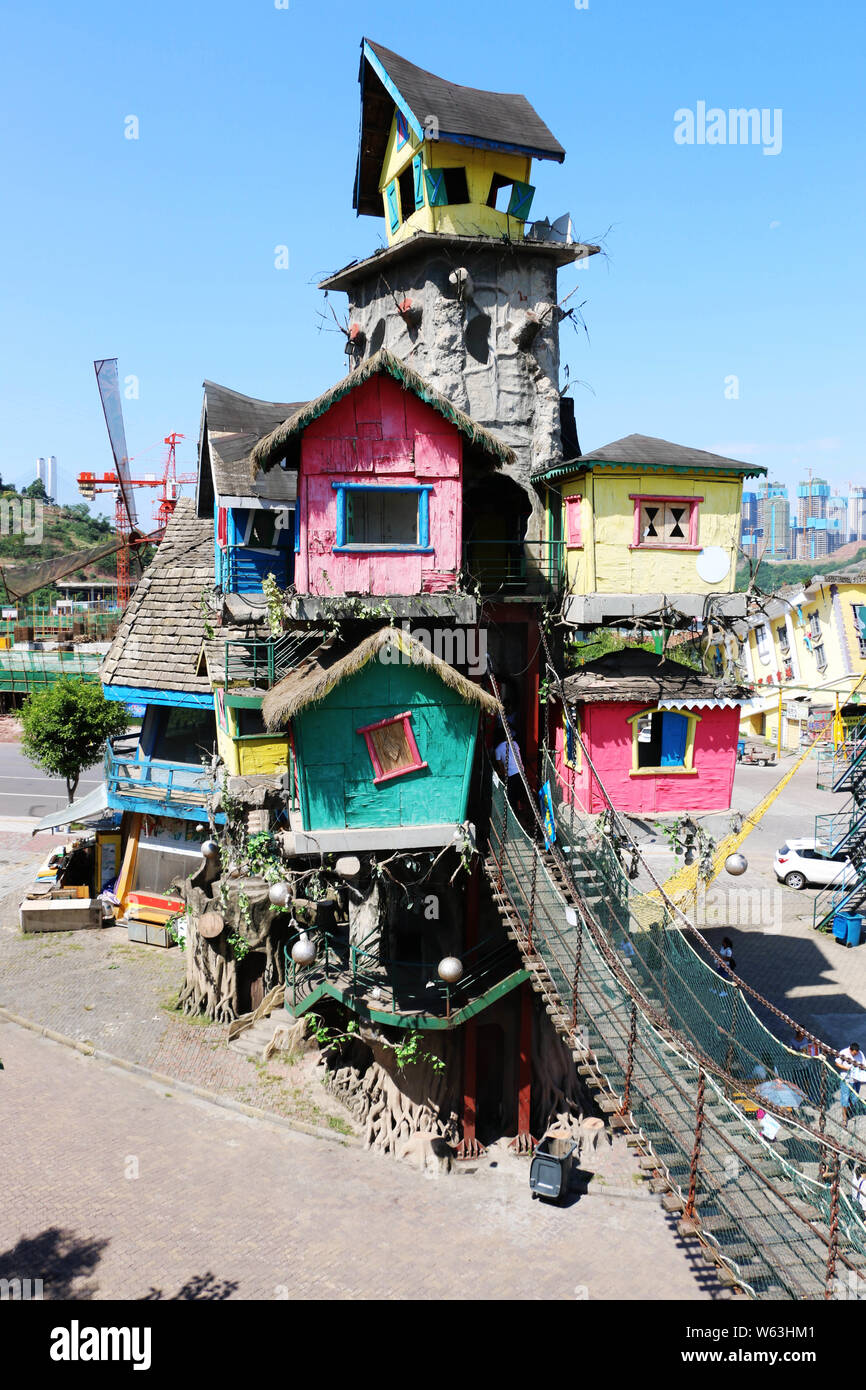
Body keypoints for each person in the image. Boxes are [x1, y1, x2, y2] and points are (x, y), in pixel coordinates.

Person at [835, 1041, 866, 1123]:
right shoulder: (843, 1053)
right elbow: (837, 1063)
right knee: (845, 1098)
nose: (855, 1055)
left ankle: (848, 1111)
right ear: (850, 1050)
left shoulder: (860, 1054)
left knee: (854, 1098)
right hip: (846, 1079)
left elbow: (864, 1065)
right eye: (854, 1054)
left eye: (856, 1054)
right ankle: (844, 1117)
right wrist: (847, 1068)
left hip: (856, 1080)